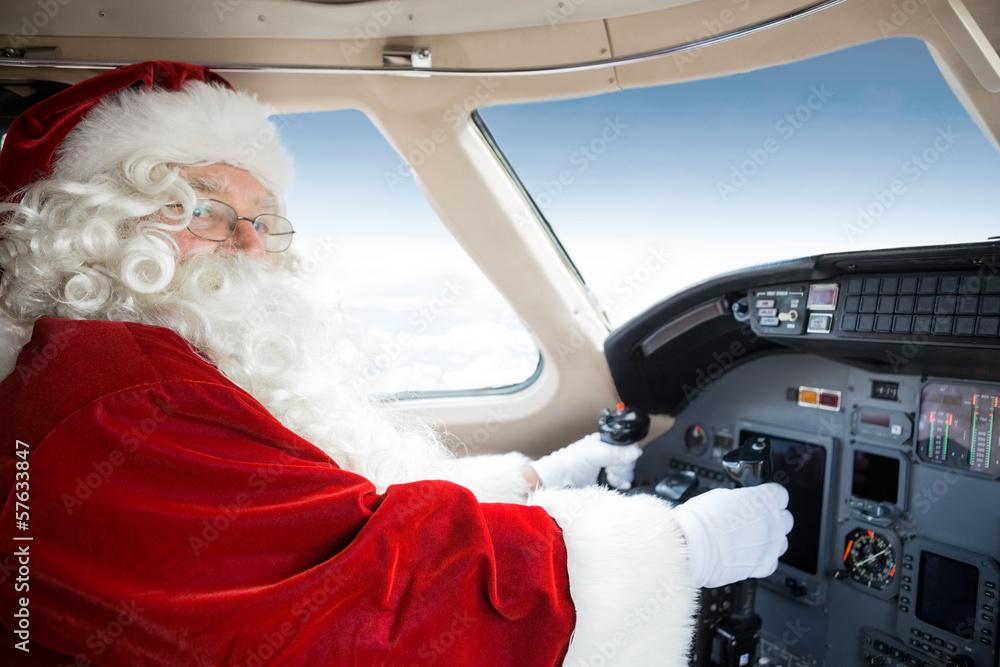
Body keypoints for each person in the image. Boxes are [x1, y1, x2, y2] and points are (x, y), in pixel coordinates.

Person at [0, 61, 792, 666]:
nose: (248, 245)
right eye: (203, 208)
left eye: (264, 222)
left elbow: (322, 517)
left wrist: (536, 480)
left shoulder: (105, 365)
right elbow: (363, 616)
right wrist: (677, 549)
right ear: (97, 225)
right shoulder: (125, 398)